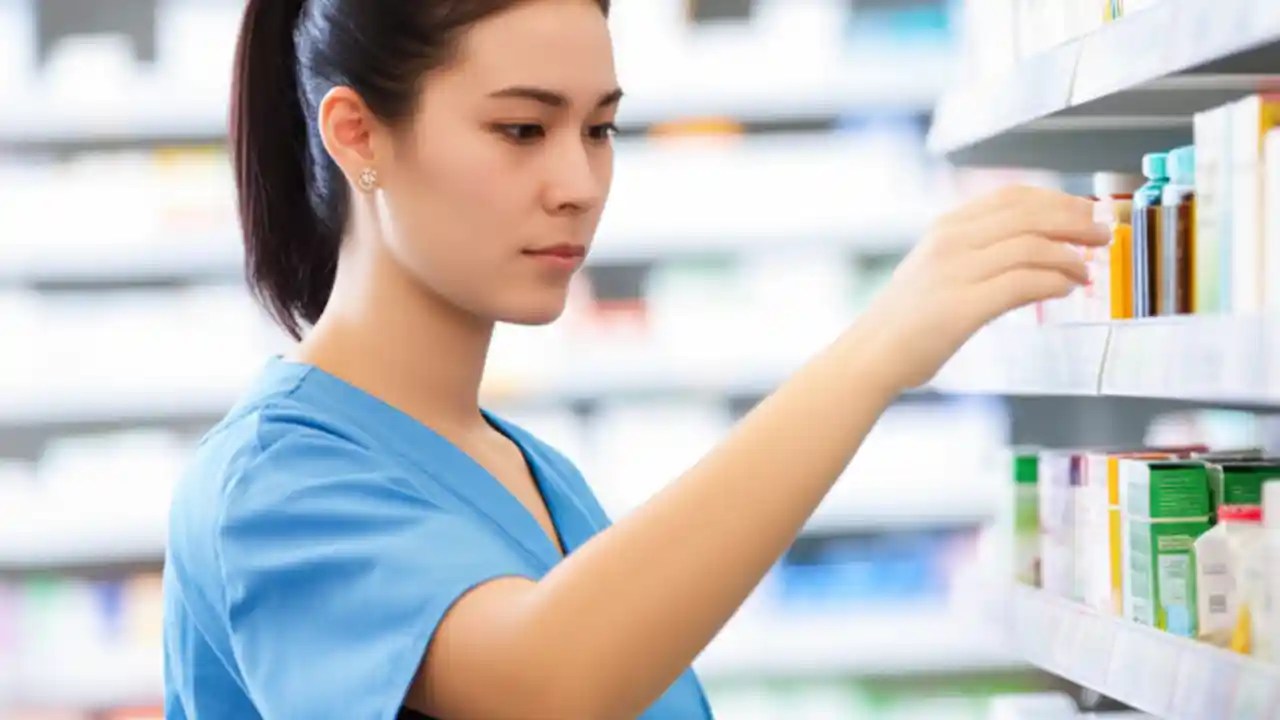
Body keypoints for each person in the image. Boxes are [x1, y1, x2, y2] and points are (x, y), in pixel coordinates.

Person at [161, 0, 1107, 718]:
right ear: (357, 134)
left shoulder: (534, 474)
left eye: (599, 129)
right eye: (522, 129)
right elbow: (545, 683)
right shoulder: (275, 480)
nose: (577, 185)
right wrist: (875, 352)